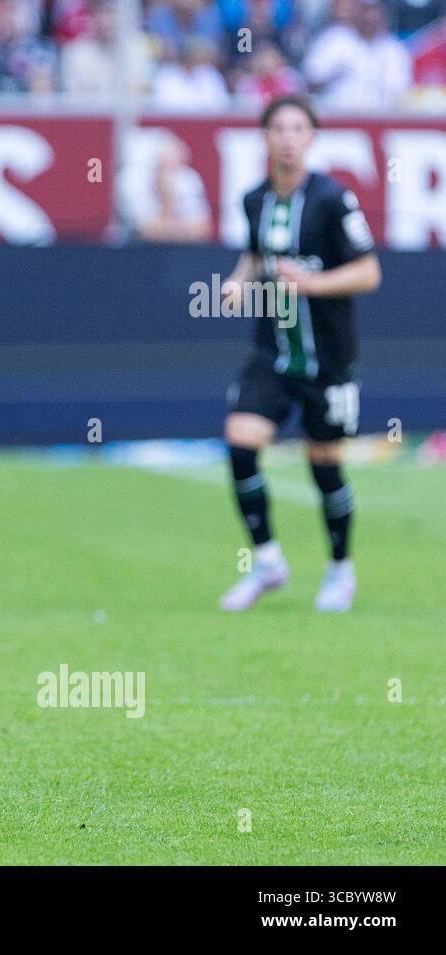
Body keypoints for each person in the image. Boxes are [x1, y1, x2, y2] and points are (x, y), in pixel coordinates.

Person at [219, 95, 380, 614]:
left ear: (311, 138)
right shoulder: (254, 200)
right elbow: (254, 253)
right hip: (272, 353)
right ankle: (267, 562)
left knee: (324, 466)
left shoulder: (334, 200)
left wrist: (310, 283)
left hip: (328, 361)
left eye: (298, 128)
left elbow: (369, 273)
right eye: (278, 128)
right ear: (265, 137)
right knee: (241, 444)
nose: (288, 137)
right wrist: (238, 283)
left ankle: (341, 570)